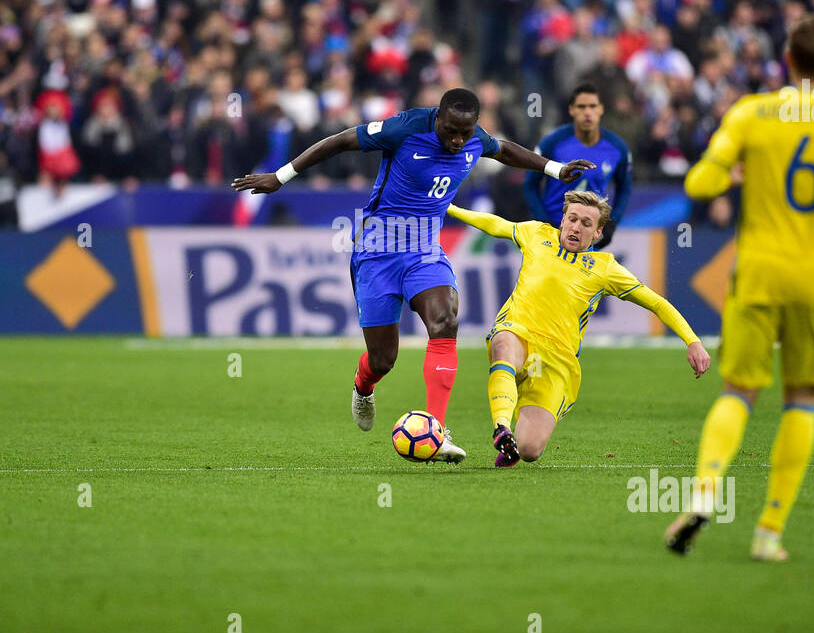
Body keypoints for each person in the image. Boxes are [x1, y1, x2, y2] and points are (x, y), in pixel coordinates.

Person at [233, 87, 594, 461]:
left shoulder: (475, 140)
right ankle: (363, 386)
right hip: (377, 249)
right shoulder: (403, 128)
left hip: (425, 250)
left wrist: (554, 169)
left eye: (464, 134)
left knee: (445, 318)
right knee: (383, 359)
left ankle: (435, 431)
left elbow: (504, 150)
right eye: (450, 131)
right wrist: (281, 176)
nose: (457, 141)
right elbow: (340, 141)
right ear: (438, 117)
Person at [670, 15, 814, 562]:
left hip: (759, 273)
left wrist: (736, 174)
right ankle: (769, 532)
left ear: (787, 60)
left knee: (738, 391)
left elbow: (698, 182)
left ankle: (703, 492)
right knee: (801, 397)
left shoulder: (751, 113)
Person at [447, 191, 710, 467]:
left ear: (597, 233)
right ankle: (502, 427)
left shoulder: (605, 269)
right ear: (563, 219)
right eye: (572, 219)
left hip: (557, 361)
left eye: (586, 223)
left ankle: (513, 445)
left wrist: (692, 341)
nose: (576, 227)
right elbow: (495, 224)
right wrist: (450, 208)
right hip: (518, 332)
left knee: (530, 450)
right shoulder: (537, 234)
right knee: (504, 344)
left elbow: (657, 303)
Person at [523, 83, 631, 247]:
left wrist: (612, 223)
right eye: (581, 107)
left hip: (588, 237)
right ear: (572, 110)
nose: (587, 112)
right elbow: (530, 184)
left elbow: (625, 188)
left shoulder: (618, 148)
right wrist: (543, 222)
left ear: (601, 109)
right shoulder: (552, 143)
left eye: (593, 106)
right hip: (551, 231)